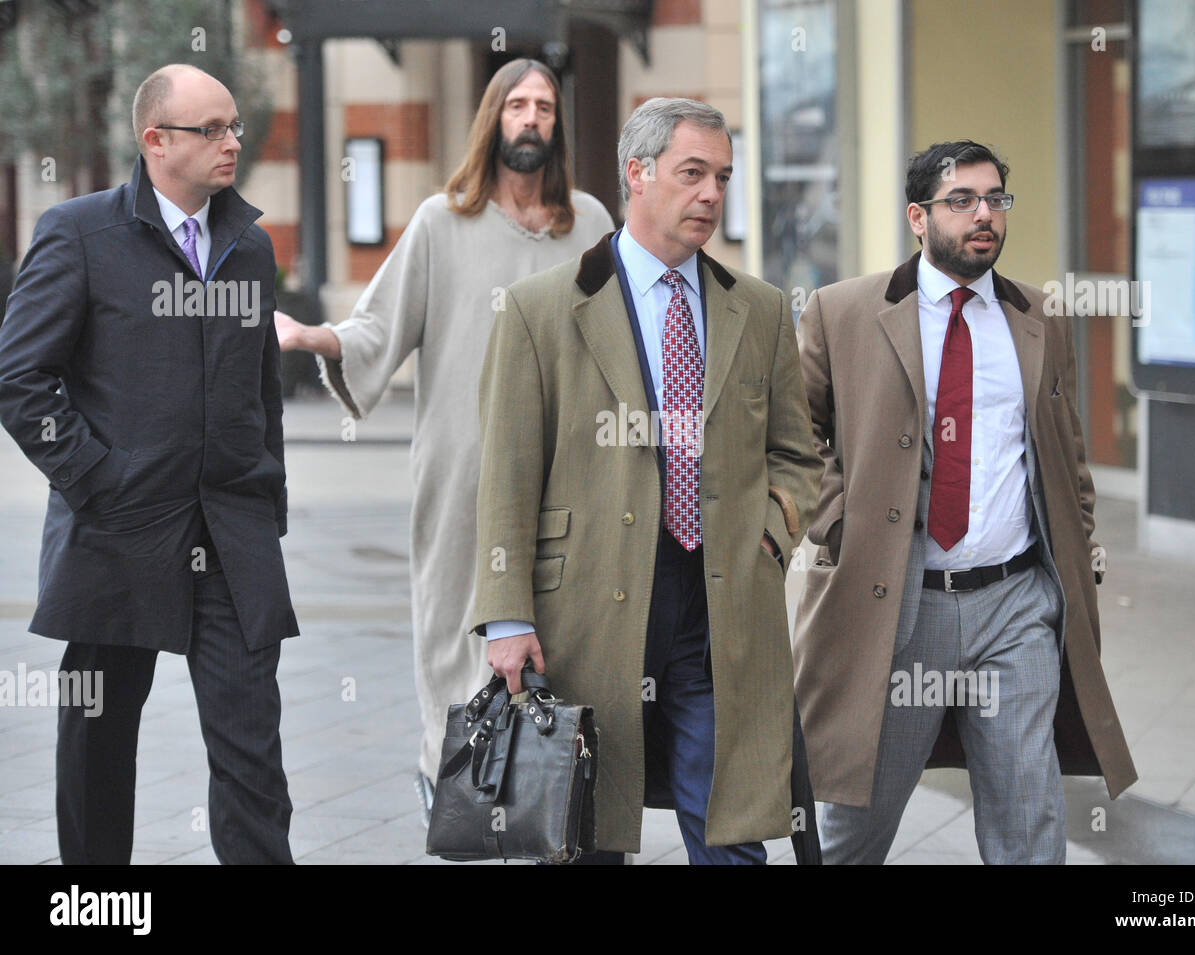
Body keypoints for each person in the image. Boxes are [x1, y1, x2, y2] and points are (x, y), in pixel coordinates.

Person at [473, 97, 823, 864]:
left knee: (733, 833)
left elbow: (799, 455)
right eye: (691, 173)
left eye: (722, 177)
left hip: (717, 601)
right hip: (585, 606)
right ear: (637, 173)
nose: (710, 194)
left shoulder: (759, 310)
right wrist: (504, 615)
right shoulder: (541, 310)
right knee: (585, 831)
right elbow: (505, 471)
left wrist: (770, 532)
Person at [275, 59, 613, 821]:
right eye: (517, 105)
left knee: (573, 641)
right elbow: (376, 325)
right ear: (492, 119)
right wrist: (315, 336)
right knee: (459, 638)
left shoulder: (588, 224)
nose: (531, 119)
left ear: (557, 126)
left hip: (574, 477)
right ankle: (454, 785)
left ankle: (564, 793)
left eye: (545, 107)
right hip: (464, 479)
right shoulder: (441, 221)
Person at [793, 140, 1137, 864]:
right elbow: (797, 434)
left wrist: (1071, 545)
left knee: (1029, 824)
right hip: (895, 607)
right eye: (962, 201)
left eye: (995, 200)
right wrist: (838, 522)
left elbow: (1065, 449)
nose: (984, 215)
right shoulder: (844, 312)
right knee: (855, 826)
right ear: (918, 217)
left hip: (1014, 606)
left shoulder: (1039, 315)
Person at [0, 64, 296, 864]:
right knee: (97, 742)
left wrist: (267, 499)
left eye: (234, 125)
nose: (234, 141)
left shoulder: (251, 247)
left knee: (253, 755)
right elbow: (20, 377)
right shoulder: (80, 233)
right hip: (117, 532)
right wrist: (97, 478)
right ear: (155, 140)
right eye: (212, 129)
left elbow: (261, 390)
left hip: (231, 534)